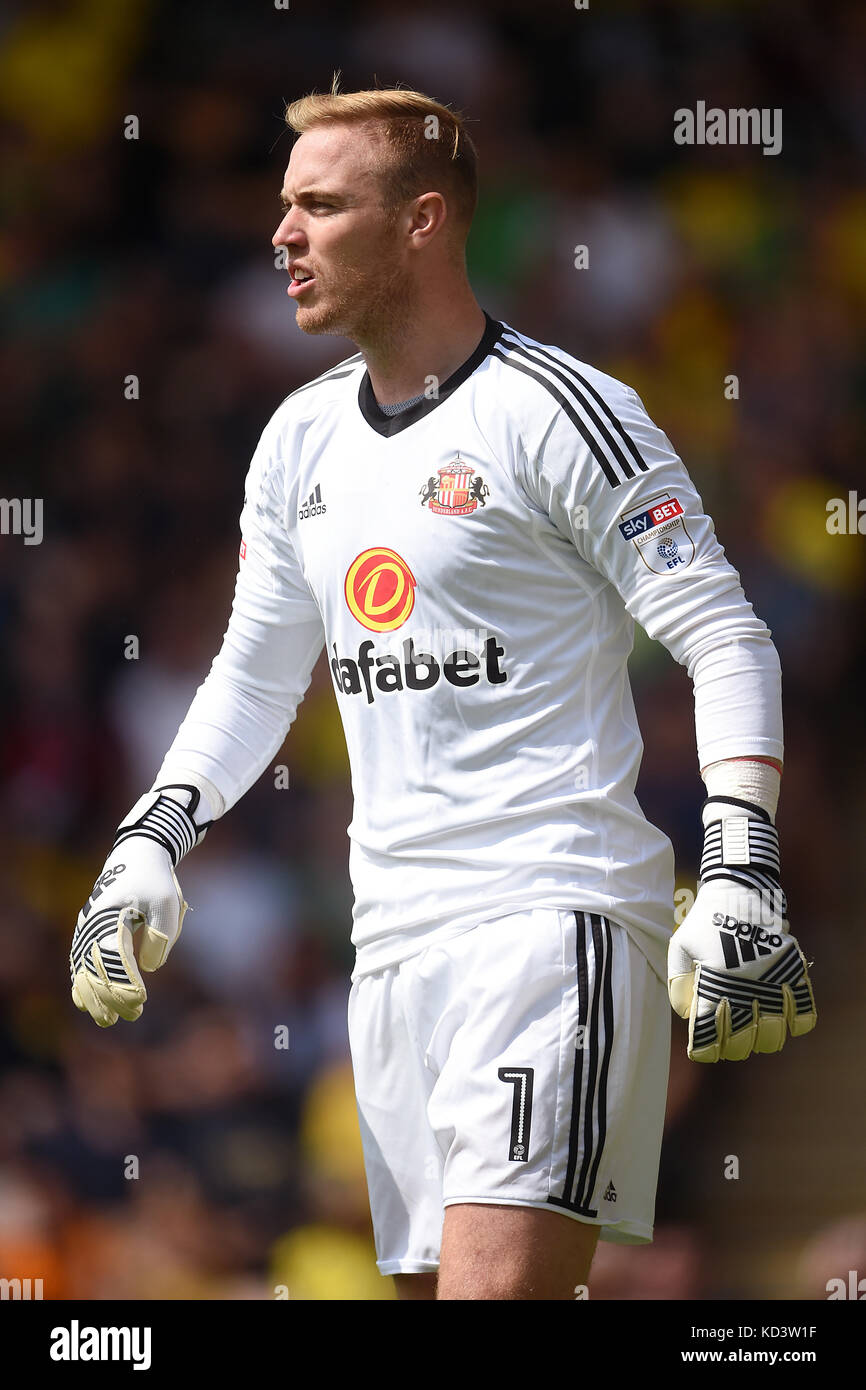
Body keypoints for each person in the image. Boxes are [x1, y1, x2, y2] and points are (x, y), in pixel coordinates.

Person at [70, 82, 816, 1301]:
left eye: (318, 205)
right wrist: (149, 841)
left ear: (421, 221)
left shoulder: (562, 413)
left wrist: (738, 865)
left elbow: (726, 639)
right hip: (392, 950)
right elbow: (255, 672)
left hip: (549, 917)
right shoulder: (298, 440)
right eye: (282, 205)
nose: (282, 234)